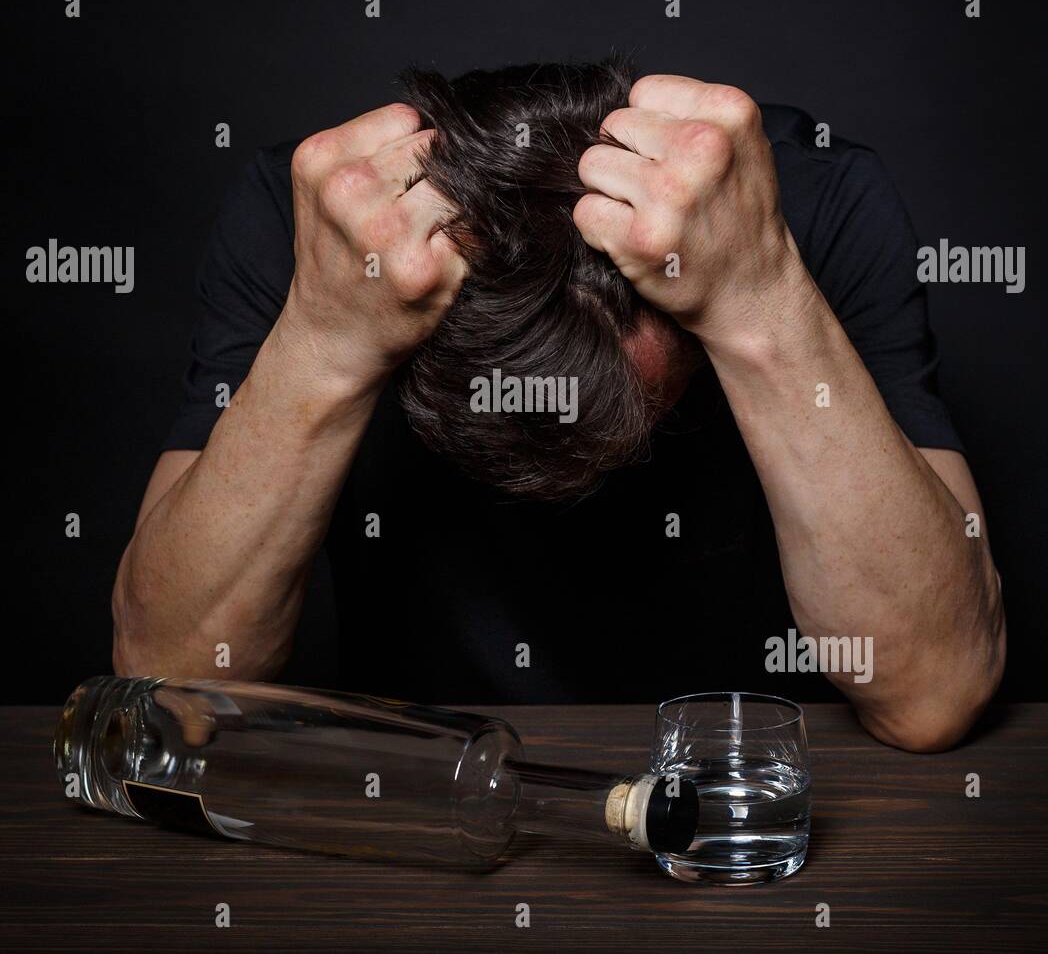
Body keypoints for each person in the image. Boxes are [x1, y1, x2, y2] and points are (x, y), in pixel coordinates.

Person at [111, 60, 1004, 750]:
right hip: (431, 797)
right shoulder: (318, 226)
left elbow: (932, 694)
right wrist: (324, 340)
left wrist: (759, 297)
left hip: (756, 799)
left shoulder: (807, 204)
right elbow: (170, 688)